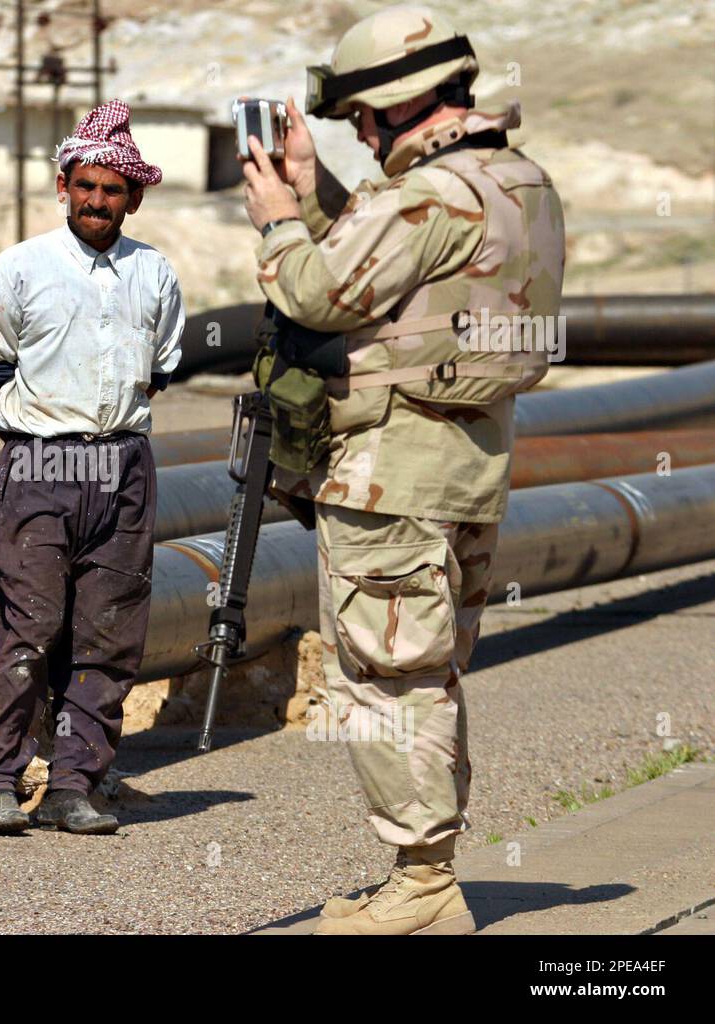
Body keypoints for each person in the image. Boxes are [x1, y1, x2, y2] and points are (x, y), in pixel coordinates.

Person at [240, 5, 565, 933]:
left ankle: (423, 887)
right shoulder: (518, 180)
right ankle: (426, 871)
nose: (358, 135)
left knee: (385, 678)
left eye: (360, 121)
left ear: (395, 105)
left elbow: (321, 290)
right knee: (428, 672)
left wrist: (274, 222)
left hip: (391, 476)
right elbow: (406, 273)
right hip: (469, 466)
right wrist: (317, 192)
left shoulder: (423, 197)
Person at [0, 100, 184, 835]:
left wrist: (102, 439)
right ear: (64, 185)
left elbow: (159, 372)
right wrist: (39, 442)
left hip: (125, 467)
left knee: (109, 634)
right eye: (86, 186)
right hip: (38, 467)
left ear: (133, 198)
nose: (97, 202)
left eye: (113, 191)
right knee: (32, 626)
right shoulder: (18, 269)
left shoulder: (155, 274)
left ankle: (75, 783)